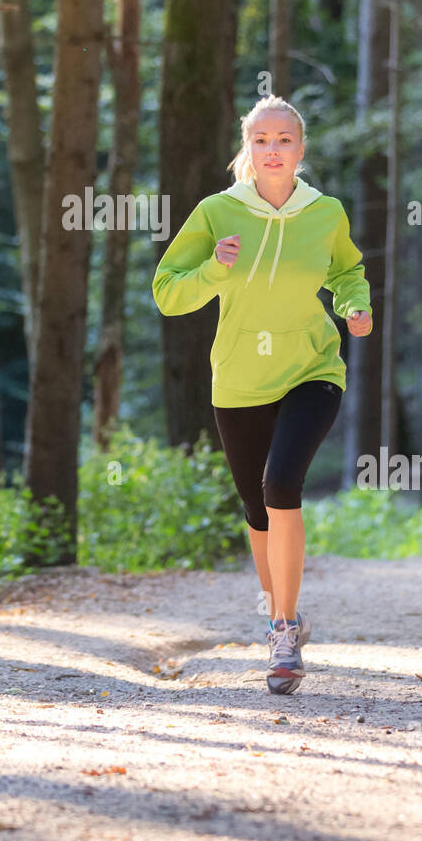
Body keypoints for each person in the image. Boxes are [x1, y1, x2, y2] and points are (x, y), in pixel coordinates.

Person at [152, 96, 372, 694]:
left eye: (284, 140)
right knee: (257, 511)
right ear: (247, 151)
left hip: (312, 368)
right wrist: (215, 271)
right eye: (261, 140)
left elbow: (346, 271)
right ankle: (283, 616)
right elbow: (169, 293)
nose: (272, 150)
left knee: (282, 486)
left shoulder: (324, 213)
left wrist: (354, 306)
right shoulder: (218, 212)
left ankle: (281, 629)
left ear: (300, 151)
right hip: (240, 378)